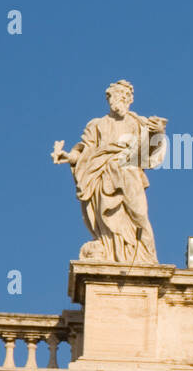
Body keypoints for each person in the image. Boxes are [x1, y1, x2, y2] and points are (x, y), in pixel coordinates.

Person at [52, 80, 164, 263]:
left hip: (129, 175)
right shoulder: (97, 125)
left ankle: (144, 255)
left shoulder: (138, 123)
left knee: (139, 215)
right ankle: (112, 253)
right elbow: (85, 151)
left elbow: (149, 152)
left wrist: (158, 133)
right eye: (110, 97)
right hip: (104, 176)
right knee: (109, 219)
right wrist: (68, 156)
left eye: (117, 96)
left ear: (127, 99)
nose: (113, 101)